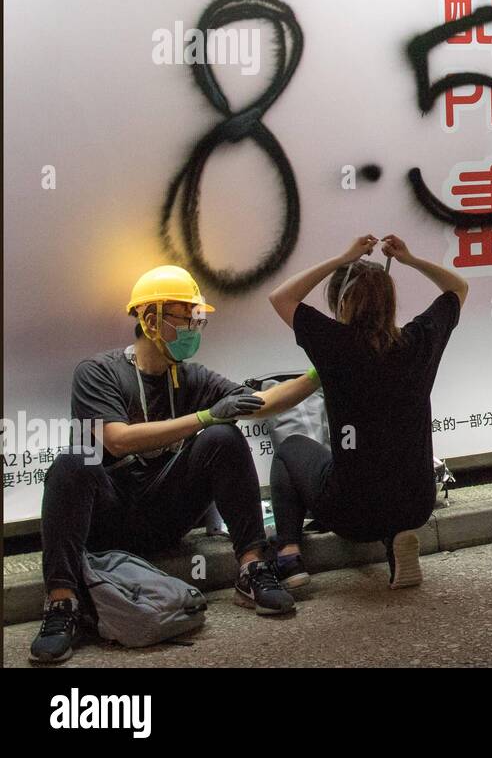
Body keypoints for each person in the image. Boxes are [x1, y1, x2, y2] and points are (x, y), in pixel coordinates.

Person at [31, 265, 318, 664]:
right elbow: (117, 438)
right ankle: (62, 604)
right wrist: (204, 417)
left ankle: (252, 570)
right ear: (151, 319)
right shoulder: (98, 372)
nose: (195, 329)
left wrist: (323, 369)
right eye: (189, 318)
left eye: (199, 320)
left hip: (166, 515)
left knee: (224, 438)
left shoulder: (192, 377)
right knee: (74, 462)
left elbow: (263, 404)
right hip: (108, 519)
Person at [267, 233, 467, 592]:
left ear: (341, 306)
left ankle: (289, 555)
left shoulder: (334, 344)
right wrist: (410, 259)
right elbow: (458, 288)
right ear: (391, 302)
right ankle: (396, 543)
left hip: (351, 512)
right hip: (417, 502)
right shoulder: (419, 340)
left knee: (289, 450)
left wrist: (342, 258)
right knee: (388, 473)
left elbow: (281, 297)